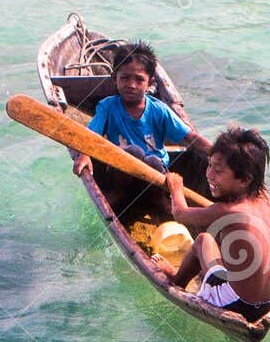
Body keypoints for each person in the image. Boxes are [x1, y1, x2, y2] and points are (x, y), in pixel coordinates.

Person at [152, 125, 270, 323]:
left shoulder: (225, 210)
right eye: (209, 165)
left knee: (202, 240)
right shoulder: (264, 196)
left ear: (245, 180)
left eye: (218, 170)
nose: (209, 175)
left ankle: (177, 279)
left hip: (237, 304)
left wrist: (176, 186)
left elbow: (179, 214)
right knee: (224, 240)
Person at [72, 40, 211, 215]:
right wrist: (84, 154)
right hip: (122, 173)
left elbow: (190, 137)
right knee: (133, 153)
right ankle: (117, 195)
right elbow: (90, 135)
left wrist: (215, 152)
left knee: (153, 161)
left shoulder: (159, 110)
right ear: (115, 78)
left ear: (150, 82)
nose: (131, 85)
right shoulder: (107, 107)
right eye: (125, 77)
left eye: (139, 79)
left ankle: (158, 201)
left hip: (155, 177)